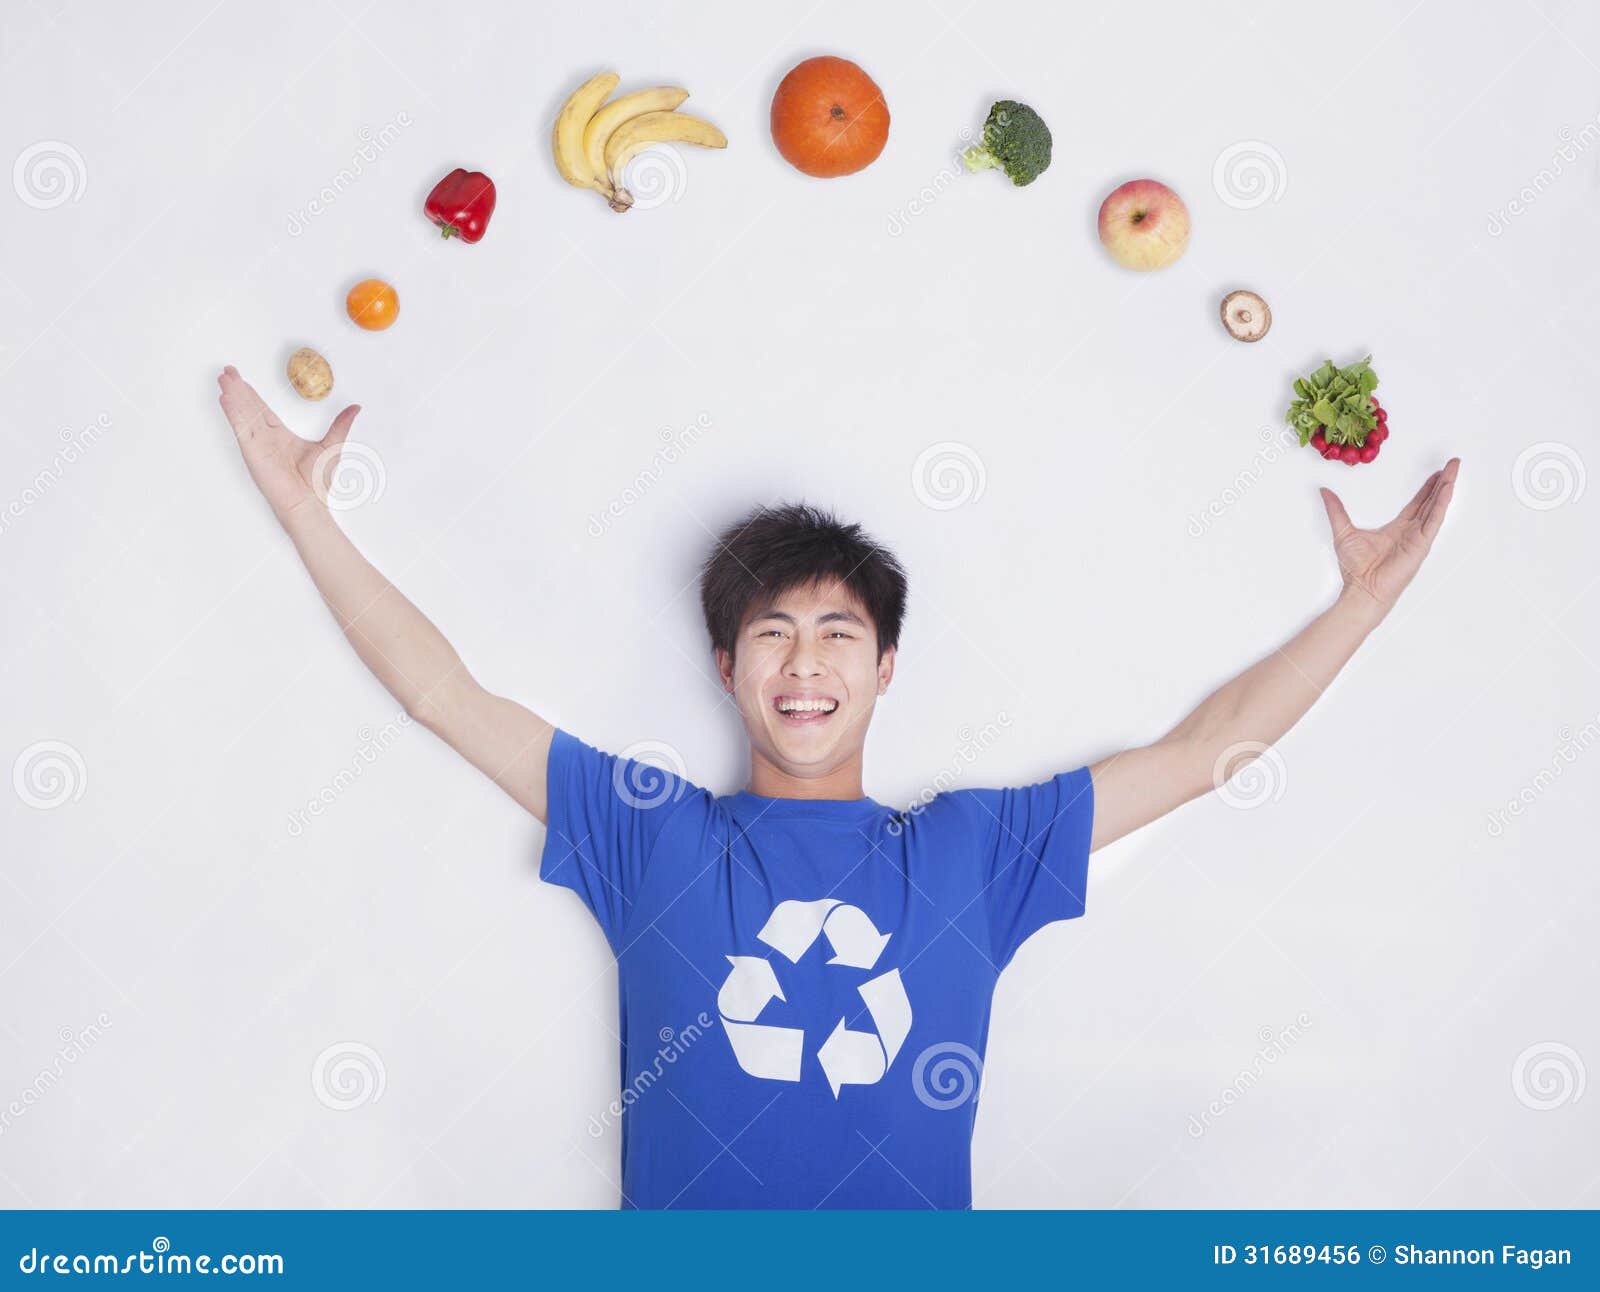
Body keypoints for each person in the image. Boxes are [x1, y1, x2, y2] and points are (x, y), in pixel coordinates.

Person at [216, 366, 1459, 1208]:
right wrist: (305, 513)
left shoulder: (977, 847)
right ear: (724, 665)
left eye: (837, 634)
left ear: (886, 666)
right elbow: (446, 696)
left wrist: (1363, 602)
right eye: (770, 632)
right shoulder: (646, 836)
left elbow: (1204, 753)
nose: (804, 662)